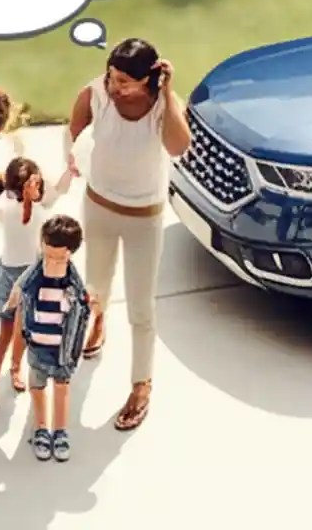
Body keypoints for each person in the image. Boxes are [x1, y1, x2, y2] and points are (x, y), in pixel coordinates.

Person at [67, 37, 192, 431]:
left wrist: (169, 93)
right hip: (99, 207)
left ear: (148, 79)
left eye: (124, 80)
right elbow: (74, 136)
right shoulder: (93, 95)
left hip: (144, 217)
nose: (114, 85)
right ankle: (98, 320)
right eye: (111, 75)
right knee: (94, 287)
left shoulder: (164, 107)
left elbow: (178, 146)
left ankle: (141, 385)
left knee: (141, 309)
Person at [0, 155, 78, 409]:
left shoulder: (37, 207)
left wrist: (69, 171)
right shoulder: (10, 207)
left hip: (31, 278)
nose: (41, 188)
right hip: (10, 277)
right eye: (36, 183)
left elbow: (60, 190)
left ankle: (14, 368)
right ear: (25, 187)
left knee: (22, 332)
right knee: (6, 333)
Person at [3, 214, 91, 462]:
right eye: (48, 254)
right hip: (38, 345)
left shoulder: (72, 281)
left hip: (62, 348)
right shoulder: (35, 273)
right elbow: (22, 284)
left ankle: (60, 430)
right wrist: (15, 295)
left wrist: (85, 302)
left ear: (70, 253)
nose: (51, 261)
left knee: (61, 388)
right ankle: (41, 427)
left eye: (59, 256)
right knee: (38, 389)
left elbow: (81, 308)